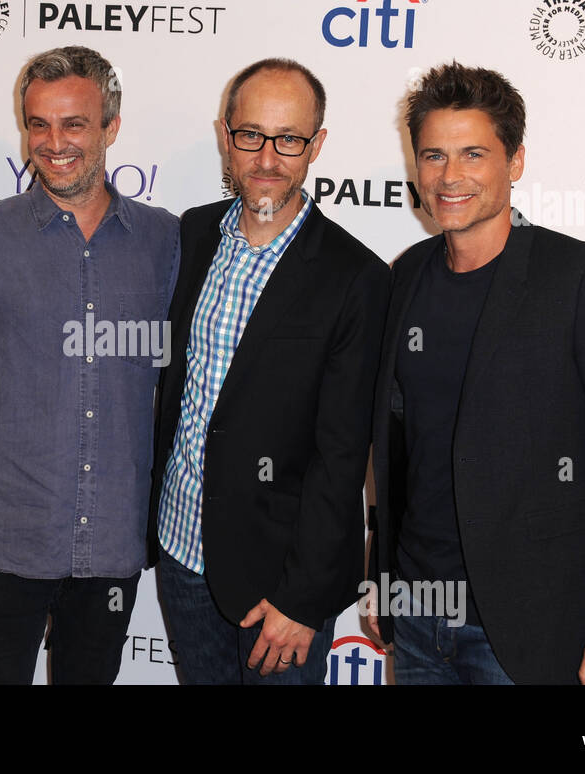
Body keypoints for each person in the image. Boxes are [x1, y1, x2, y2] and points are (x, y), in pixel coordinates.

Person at [367, 62, 585, 684]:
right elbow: (400, 447)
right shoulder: (406, 276)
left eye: (473, 153)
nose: (449, 176)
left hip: (533, 628)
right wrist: (383, 579)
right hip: (420, 615)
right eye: (433, 155)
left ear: (516, 161)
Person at [0, 45, 180, 684]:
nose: (54, 142)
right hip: (1, 540)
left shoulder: (165, 239)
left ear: (111, 129)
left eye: (74, 124)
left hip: (114, 543)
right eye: (38, 124)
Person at [150, 59, 389, 684]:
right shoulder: (193, 232)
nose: (267, 157)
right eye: (251, 135)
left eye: (289, 140)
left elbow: (343, 457)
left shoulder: (355, 277)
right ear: (225, 136)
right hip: (180, 549)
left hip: (277, 587)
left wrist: (304, 598)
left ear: (317, 146)